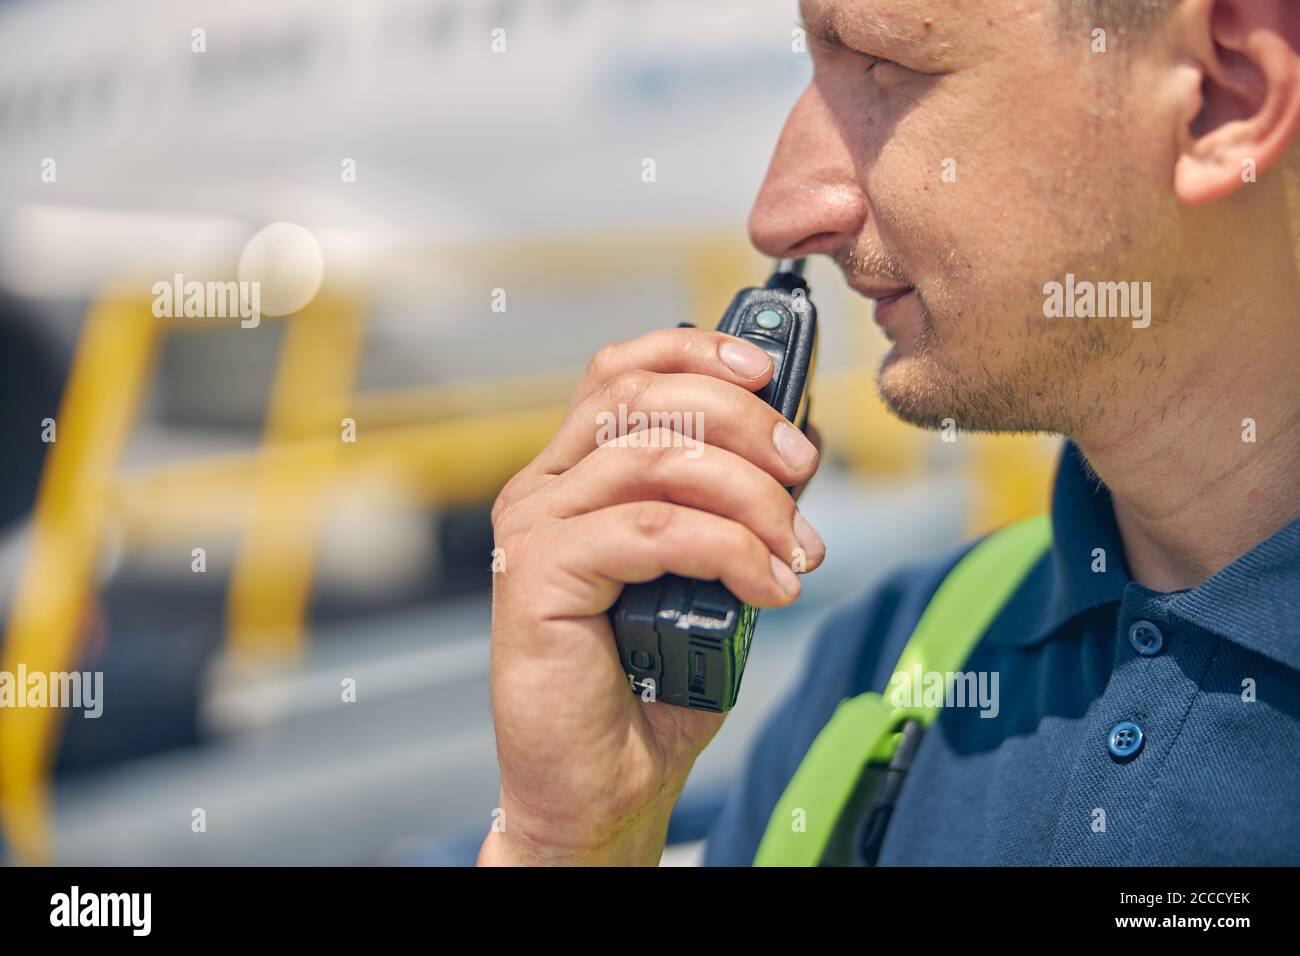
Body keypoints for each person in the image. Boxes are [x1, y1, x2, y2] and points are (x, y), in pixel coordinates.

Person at [478, 0, 1300, 866]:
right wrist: (574, 841)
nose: (780, 214)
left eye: (884, 64)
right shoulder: (882, 668)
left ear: (1221, 94)